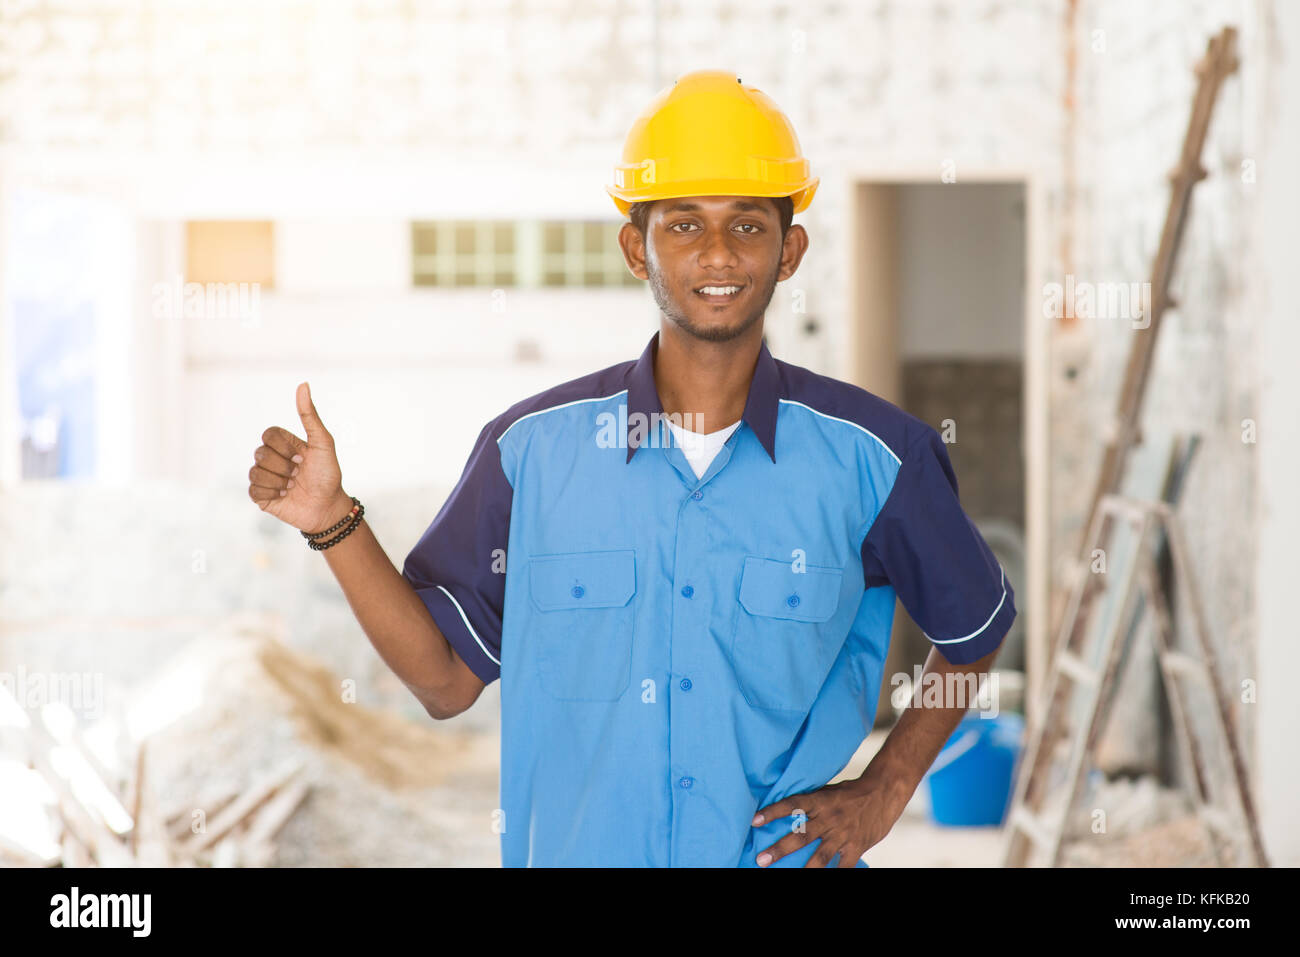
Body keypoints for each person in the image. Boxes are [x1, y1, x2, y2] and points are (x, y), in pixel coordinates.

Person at [247, 69, 1016, 867]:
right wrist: (334, 521)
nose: (716, 253)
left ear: (790, 251)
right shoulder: (529, 453)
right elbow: (444, 683)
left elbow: (976, 629)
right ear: (634, 247)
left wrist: (885, 791)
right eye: (683, 224)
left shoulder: (878, 457)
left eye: (747, 225)